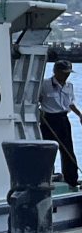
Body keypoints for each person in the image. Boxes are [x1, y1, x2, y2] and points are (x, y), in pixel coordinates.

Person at [40, 60, 80, 188]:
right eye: (64, 73)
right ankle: (46, 179)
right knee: (48, 151)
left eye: (68, 73)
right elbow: (34, 100)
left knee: (68, 149)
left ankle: (71, 180)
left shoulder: (69, 86)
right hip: (49, 120)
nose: (66, 76)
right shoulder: (45, 84)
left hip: (63, 119)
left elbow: (71, 103)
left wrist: (80, 114)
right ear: (56, 72)